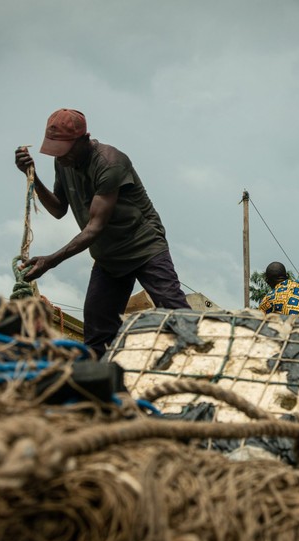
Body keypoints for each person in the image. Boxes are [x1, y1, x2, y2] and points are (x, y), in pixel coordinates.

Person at [14, 108, 190, 358]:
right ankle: (100, 387)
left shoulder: (110, 162)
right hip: (108, 256)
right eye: (56, 152)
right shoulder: (62, 163)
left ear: (84, 140)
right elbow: (58, 209)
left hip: (144, 246)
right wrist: (32, 175)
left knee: (179, 316)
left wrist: (50, 261)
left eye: (64, 151)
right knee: (97, 333)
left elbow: (94, 227)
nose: (60, 158)